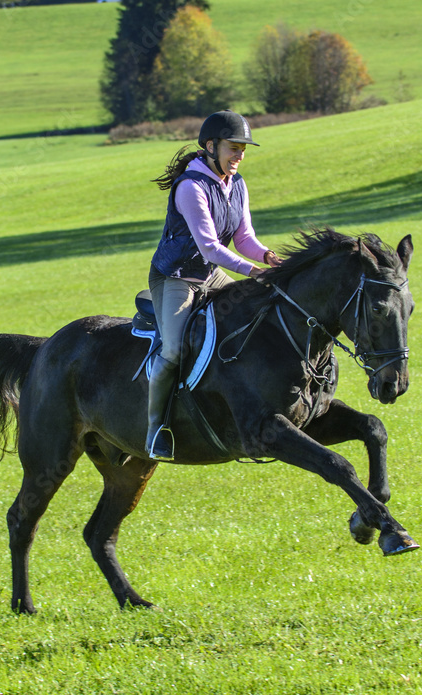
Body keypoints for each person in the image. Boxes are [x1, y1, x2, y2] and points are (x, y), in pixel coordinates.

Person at [145, 110, 282, 461]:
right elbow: (209, 247)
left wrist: (267, 257)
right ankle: (155, 429)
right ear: (211, 146)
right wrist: (252, 271)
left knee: (256, 313)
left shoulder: (237, 185)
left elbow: (244, 238)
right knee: (174, 351)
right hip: (176, 277)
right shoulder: (191, 187)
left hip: (210, 274)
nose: (239, 155)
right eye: (233, 148)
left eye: (243, 149)